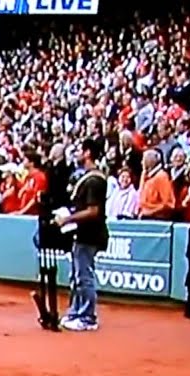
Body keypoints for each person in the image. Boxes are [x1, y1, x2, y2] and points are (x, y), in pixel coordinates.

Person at [55, 138, 109, 332]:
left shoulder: (94, 179)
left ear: (87, 153)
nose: (76, 153)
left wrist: (68, 219)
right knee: (77, 275)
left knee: (84, 275)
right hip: (82, 233)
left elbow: (93, 210)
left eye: (80, 150)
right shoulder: (88, 177)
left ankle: (87, 317)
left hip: (90, 234)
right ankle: (77, 312)